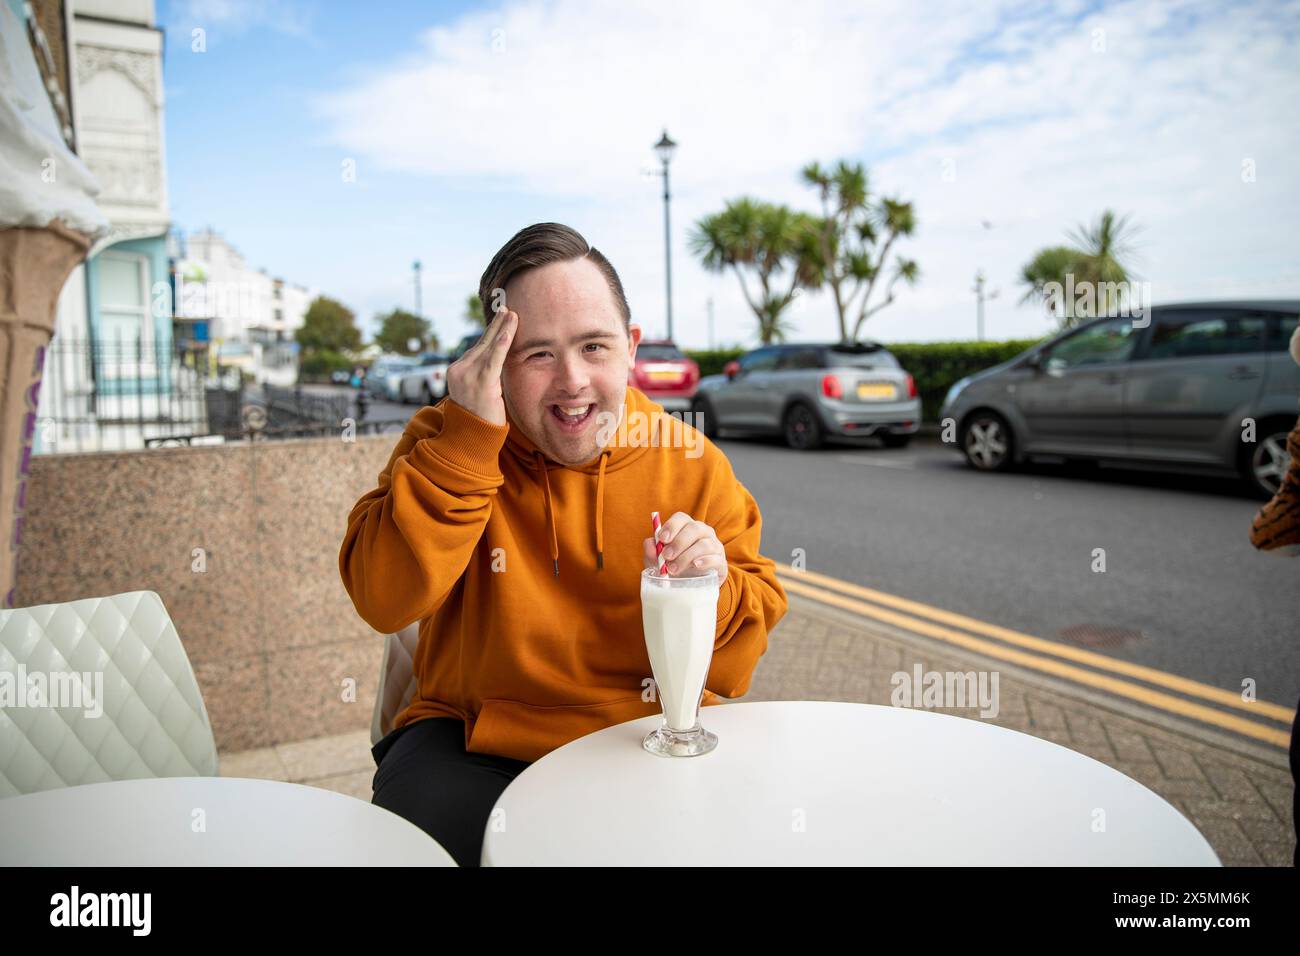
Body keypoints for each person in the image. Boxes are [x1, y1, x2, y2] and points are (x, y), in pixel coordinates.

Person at [339, 222, 789, 866]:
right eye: (537, 354)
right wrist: (469, 442)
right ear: (493, 361)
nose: (573, 380)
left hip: (646, 733)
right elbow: (383, 599)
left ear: (630, 348)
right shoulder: (445, 438)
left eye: (595, 346)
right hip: (471, 741)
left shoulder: (691, 461)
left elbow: (732, 672)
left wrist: (708, 587)